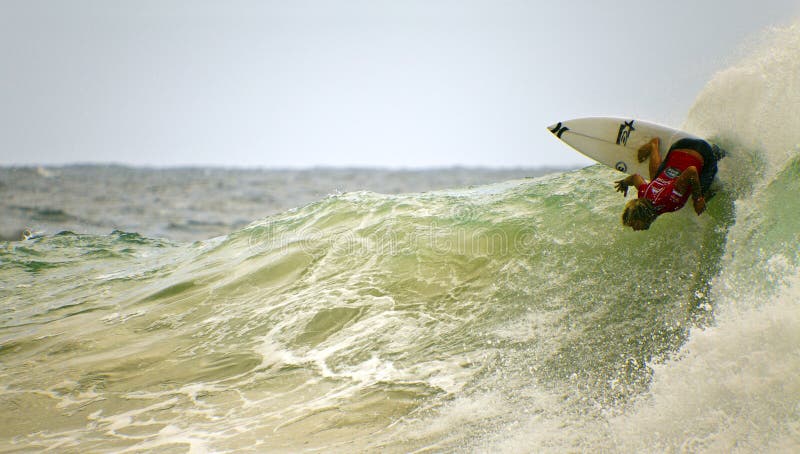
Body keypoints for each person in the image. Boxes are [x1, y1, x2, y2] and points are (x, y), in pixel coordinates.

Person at [614, 137, 724, 231]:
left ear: (642, 216)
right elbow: (635, 178)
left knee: (704, 193)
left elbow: (692, 171)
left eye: (634, 224)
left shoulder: (670, 199)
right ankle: (653, 145)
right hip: (677, 146)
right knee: (654, 180)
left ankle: (716, 153)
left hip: (701, 149)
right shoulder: (644, 194)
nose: (635, 229)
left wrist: (698, 199)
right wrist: (624, 183)